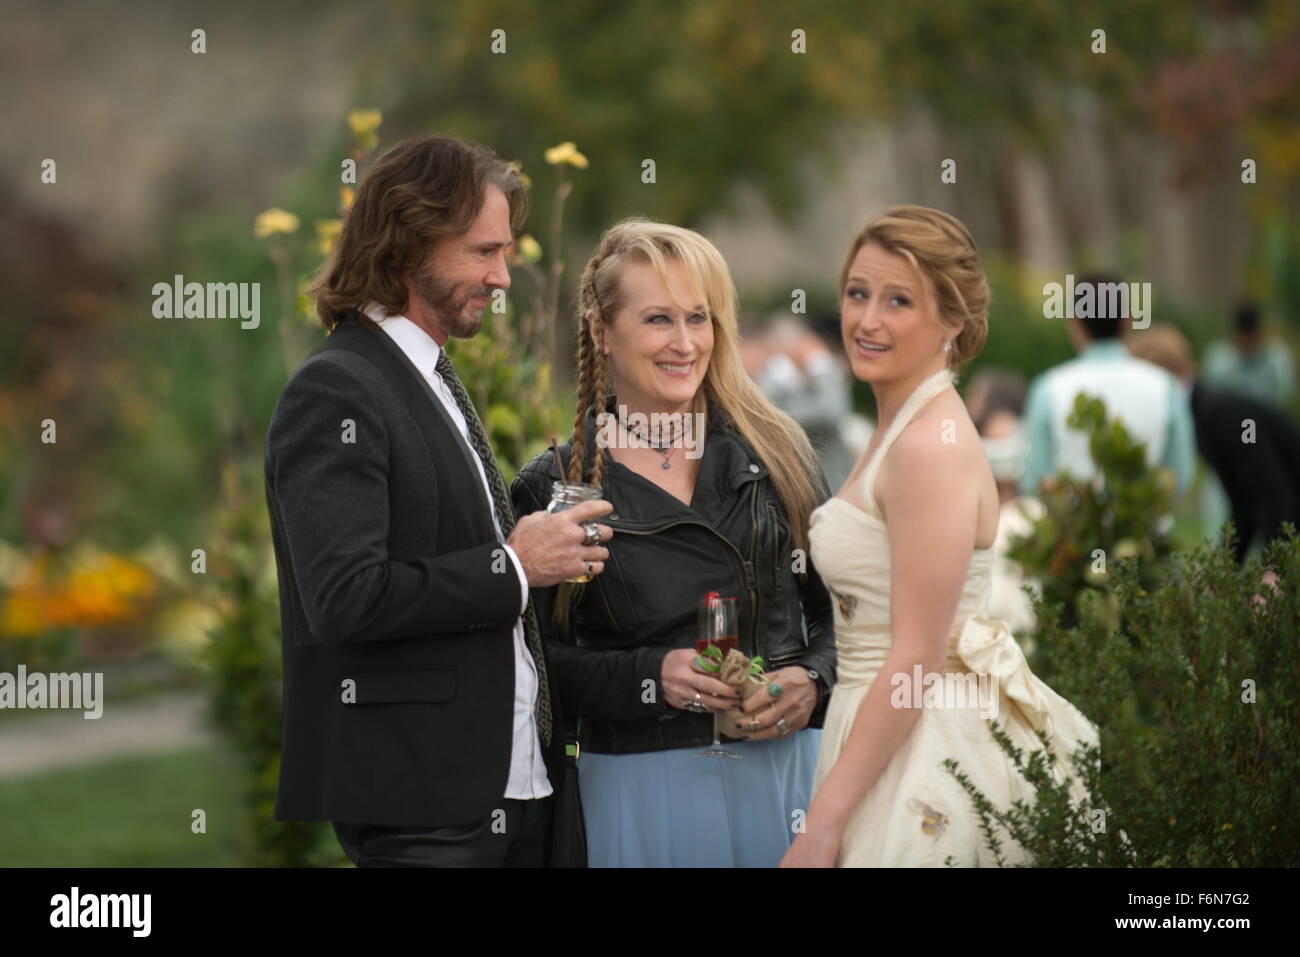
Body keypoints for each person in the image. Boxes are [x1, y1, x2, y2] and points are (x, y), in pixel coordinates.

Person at [265, 134, 614, 867]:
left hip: (520, 793)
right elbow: (345, 598)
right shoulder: (338, 388)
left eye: (506, 252)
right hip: (425, 805)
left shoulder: (423, 373)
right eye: (484, 252)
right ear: (406, 245)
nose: (503, 276)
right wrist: (515, 565)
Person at [511, 218, 836, 867]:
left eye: (700, 317)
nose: (685, 343)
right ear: (601, 331)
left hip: (787, 778)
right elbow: (539, 671)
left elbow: (842, 611)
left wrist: (814, 680)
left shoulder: (780, 454)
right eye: (658, 319)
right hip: (639, 789)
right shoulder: (558, 486)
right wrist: (650, 674)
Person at [783, 205, 1097, 867]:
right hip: (876, 726)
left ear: (953, 320)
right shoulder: (903, 426)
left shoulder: (930, 445)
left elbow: (918, 655)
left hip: (920, 748)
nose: (867, 320)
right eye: (857, 293)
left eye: (898, 300)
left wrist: (824, 822)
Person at [1129, 323, 1300, 564]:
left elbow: (1274, 496)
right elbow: (1244, 506)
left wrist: (1273, 571)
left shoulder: (1223, 416)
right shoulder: (1202, 416)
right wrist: (1224, 571)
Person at [1019, 273, 1196, 498]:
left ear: (1075, 324)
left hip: (1070, 531)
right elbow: (1180, 477)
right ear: (1128, 319)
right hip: (1145, 530)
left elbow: (1035, 481)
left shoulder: (1047, 389)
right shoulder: (1165, 387)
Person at [1202, 301, 1297, 409]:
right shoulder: (1219, 359)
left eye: (1251, 337)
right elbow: (1213, 397)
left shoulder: (1277, 357)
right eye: (1243, 337)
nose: (1247, 343)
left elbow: (1287, 397)